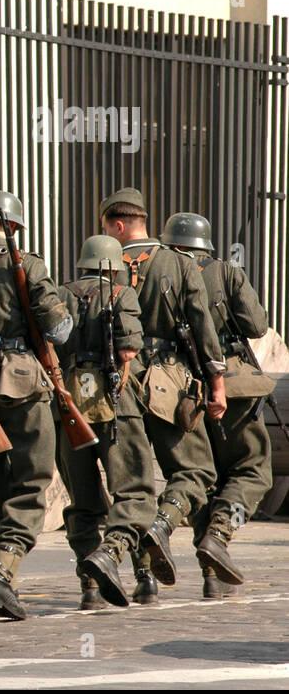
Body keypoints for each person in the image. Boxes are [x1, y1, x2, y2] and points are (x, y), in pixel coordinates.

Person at [100, 188, 225, 604]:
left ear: (119, 225)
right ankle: (163, 525)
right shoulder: (180, 264)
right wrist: (216, 383)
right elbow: (202, 326)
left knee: (133, 485)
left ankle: (145, 579)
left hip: (118, 382)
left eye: (107, 229)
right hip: (170, 382)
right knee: (197, 472)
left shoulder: (102, 262)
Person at [0, 192, 72, 620]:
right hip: (23, 381)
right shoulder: (28, 263)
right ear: (13, 227)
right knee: (31, 481)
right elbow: (59, 329)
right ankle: (2, 572)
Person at [160, 212, 273, 598]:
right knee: (254, 471)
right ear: (205, 244)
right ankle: (221, 535)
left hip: (178, 391)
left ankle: (211, 571)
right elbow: (257, 325)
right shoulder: (225, 272)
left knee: (203, 478)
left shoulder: (160, 271)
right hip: (232, 388)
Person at [53, 235, 152, 608]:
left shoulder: (61, 294)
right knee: (134, 490)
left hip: (70, 405)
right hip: (115, 403)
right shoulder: (121, 294)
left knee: (83, 499)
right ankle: (135, 571)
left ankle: (89, 586)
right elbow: (128, 348)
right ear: (115, 265)